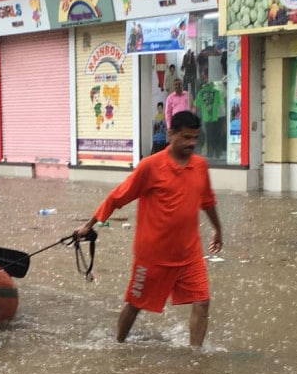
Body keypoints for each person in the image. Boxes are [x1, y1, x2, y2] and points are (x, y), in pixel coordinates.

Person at [73, 111, 222, 348]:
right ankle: (117, 345)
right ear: (170, 134)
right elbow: (117, 197)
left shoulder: (200, 166)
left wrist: (218, 230)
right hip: (152, 256)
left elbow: (207, 200)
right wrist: (89, 225)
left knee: (202, 302)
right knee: (135, 304)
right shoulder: (150, 167)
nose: (191, 143)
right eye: (185, 137)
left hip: (189, 254)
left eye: (195, 138)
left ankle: (196, 357)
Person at [193, 71, 225, 161]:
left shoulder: (201, 92)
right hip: (215, 116)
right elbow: (221, 103)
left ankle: (210, 154)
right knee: (216, 135)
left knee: (209, 136)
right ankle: (217, 153)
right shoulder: (216, 91)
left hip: (207, 117)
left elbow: (196, 104)